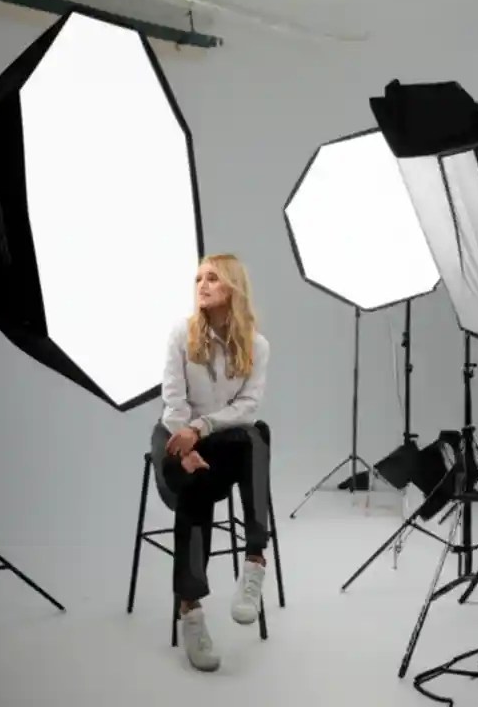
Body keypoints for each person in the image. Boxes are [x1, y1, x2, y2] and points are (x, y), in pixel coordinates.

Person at [151, 253, 273, 672]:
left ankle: (254, 561)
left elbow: (248, 408)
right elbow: (173, 404)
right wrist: (186, 446)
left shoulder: (257, 345)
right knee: (196, 483)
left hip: (218, 439)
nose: (202, 285)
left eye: (213, 278)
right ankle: (190, 607)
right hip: (174, 439)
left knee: (257, 435)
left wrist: (201, 428)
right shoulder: (181, 334)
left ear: (233, 288)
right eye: (198, 278)